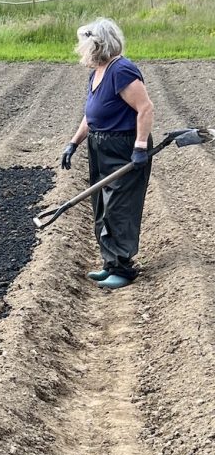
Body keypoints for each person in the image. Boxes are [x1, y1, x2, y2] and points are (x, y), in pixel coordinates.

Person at [60, 17, 154, 290]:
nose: (81, 49)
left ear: (97, 44)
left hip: (124, 147)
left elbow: (145, 108)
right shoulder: (98, 72)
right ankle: (110, 263)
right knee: (101, 206)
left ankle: (123, 269)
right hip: (100, 146)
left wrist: (139, 147)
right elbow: (91, 115)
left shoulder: (122, 70)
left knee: (119, 208)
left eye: (84, 43)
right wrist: (74, 143)